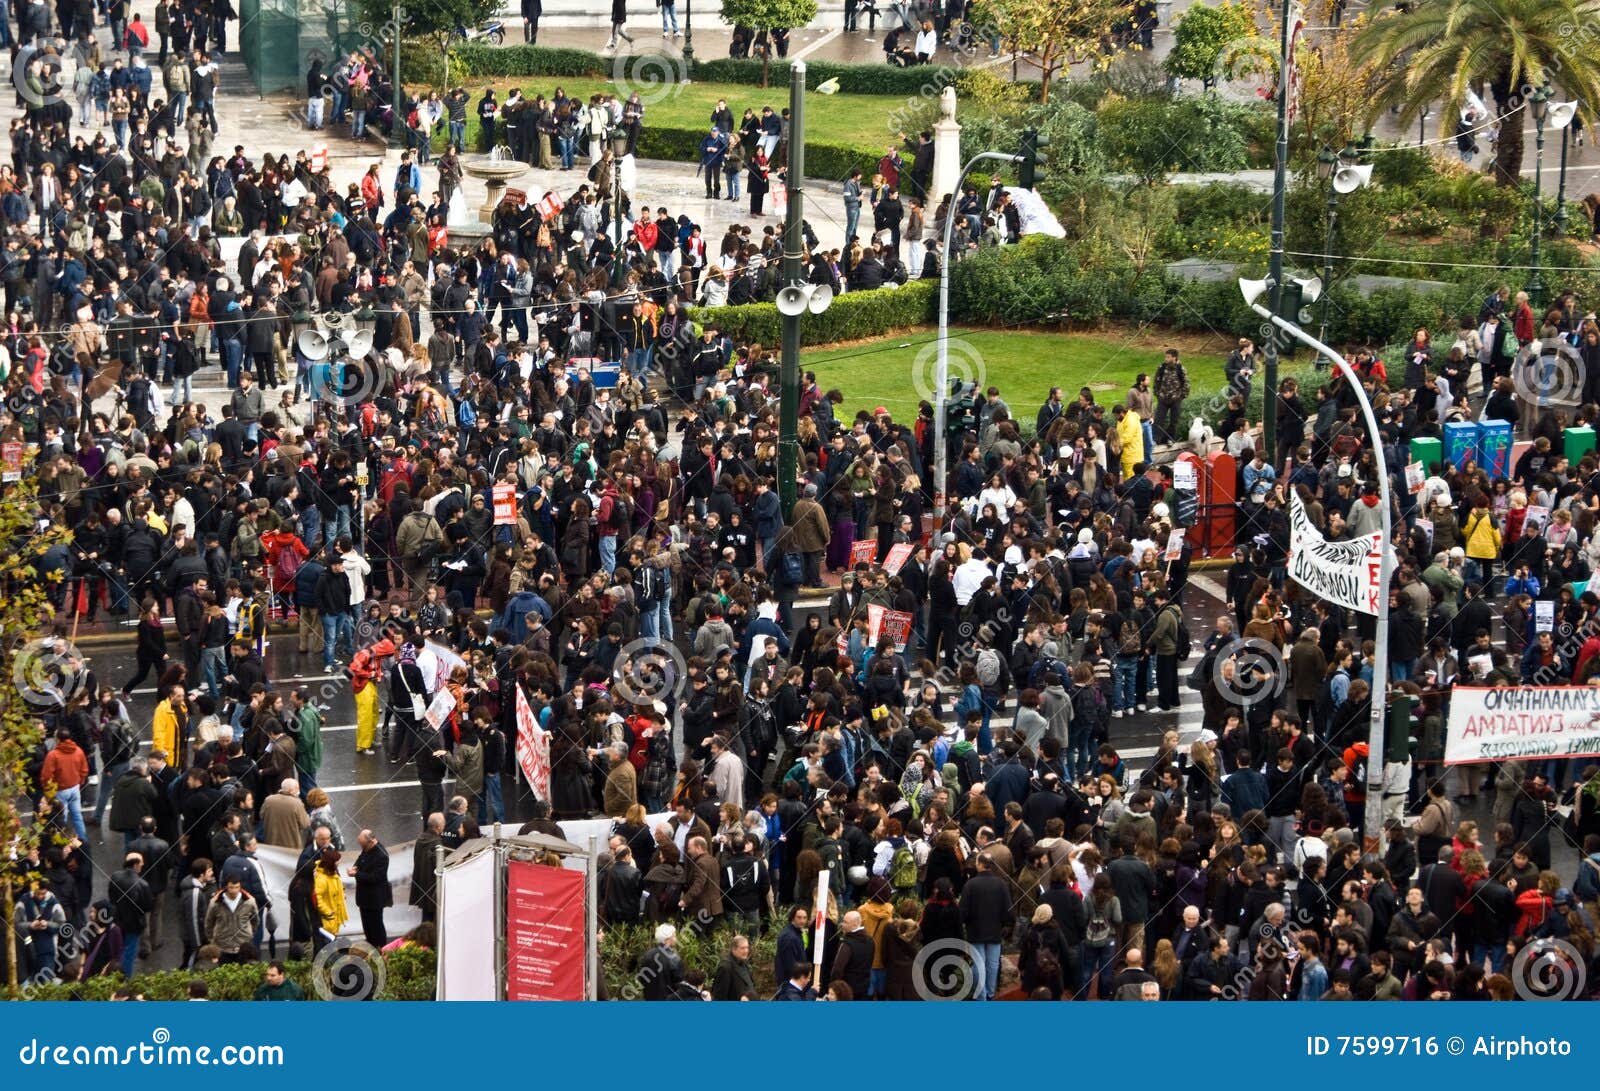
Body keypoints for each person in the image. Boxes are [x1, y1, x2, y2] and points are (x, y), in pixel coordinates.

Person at [351, 829, 393, 948]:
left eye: (362, 843)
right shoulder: (366, 849)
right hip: (363, 898)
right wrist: (355, 868)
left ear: (369, 842)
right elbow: (359, 861)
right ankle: (371, 949)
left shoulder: (382, 855)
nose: (361, 846)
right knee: (367, 927)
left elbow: (376, 878)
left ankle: (381, 950)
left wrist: (356, 874)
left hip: (375, 898)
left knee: (376, 927)